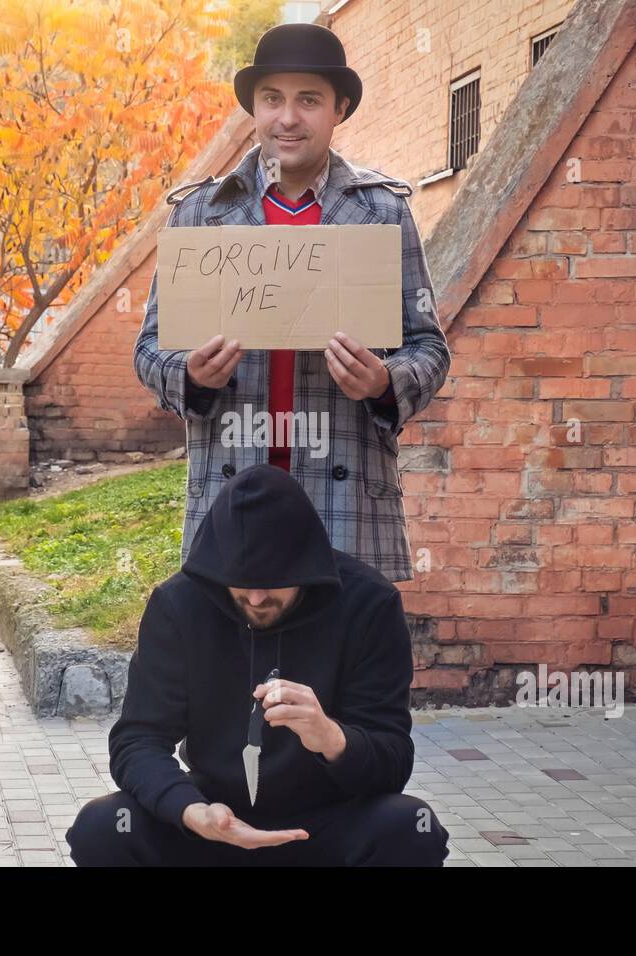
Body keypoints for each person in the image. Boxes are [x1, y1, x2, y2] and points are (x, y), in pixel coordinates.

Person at [133, 22, 451, 584]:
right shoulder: (202, 213)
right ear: (254, 109)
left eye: (309, 100)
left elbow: (429, 347)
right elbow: (150, 350)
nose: (288, 118)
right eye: (272, 99)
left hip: (344, 497)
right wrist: (191, 376)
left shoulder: (382, 211)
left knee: (341, 669)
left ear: (339, 109)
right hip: (234, 493)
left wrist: (384, 382)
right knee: (239, 669)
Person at [64, 464, 450, 866]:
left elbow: (392, 761)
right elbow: (137, 741)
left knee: (412, 825)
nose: (256, 598)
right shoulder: (179, 605)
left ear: (307, 565)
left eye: (274, 581)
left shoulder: (369, 603)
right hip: (215, 820)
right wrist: (191, 812)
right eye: (240, 582)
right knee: (104, 824)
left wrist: (331, 737)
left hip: (328, 820)